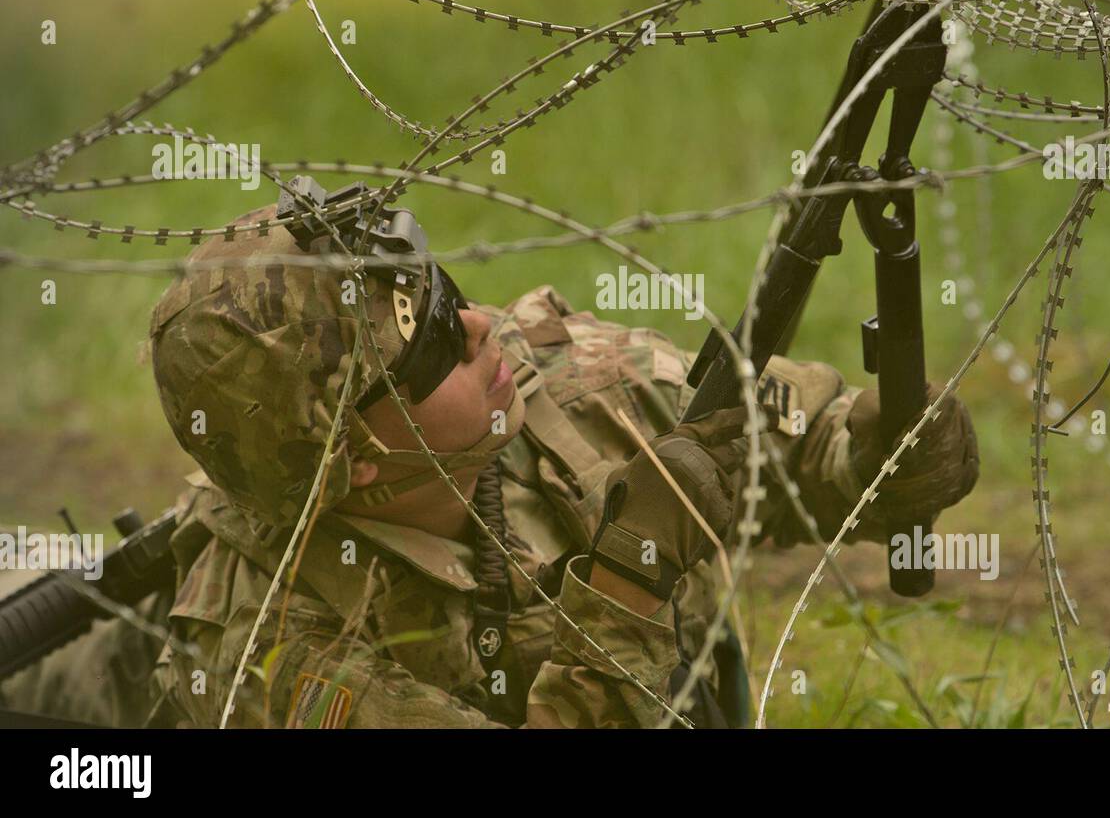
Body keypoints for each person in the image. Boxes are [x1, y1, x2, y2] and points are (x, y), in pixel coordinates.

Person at [2, 185, 978, 728]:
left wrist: (877, 453)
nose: (477, 325)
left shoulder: (558, 379)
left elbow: (768, 449)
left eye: (441, 292)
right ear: (355, 463)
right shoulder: (281, 650)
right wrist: (631, 578)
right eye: (428, 349)